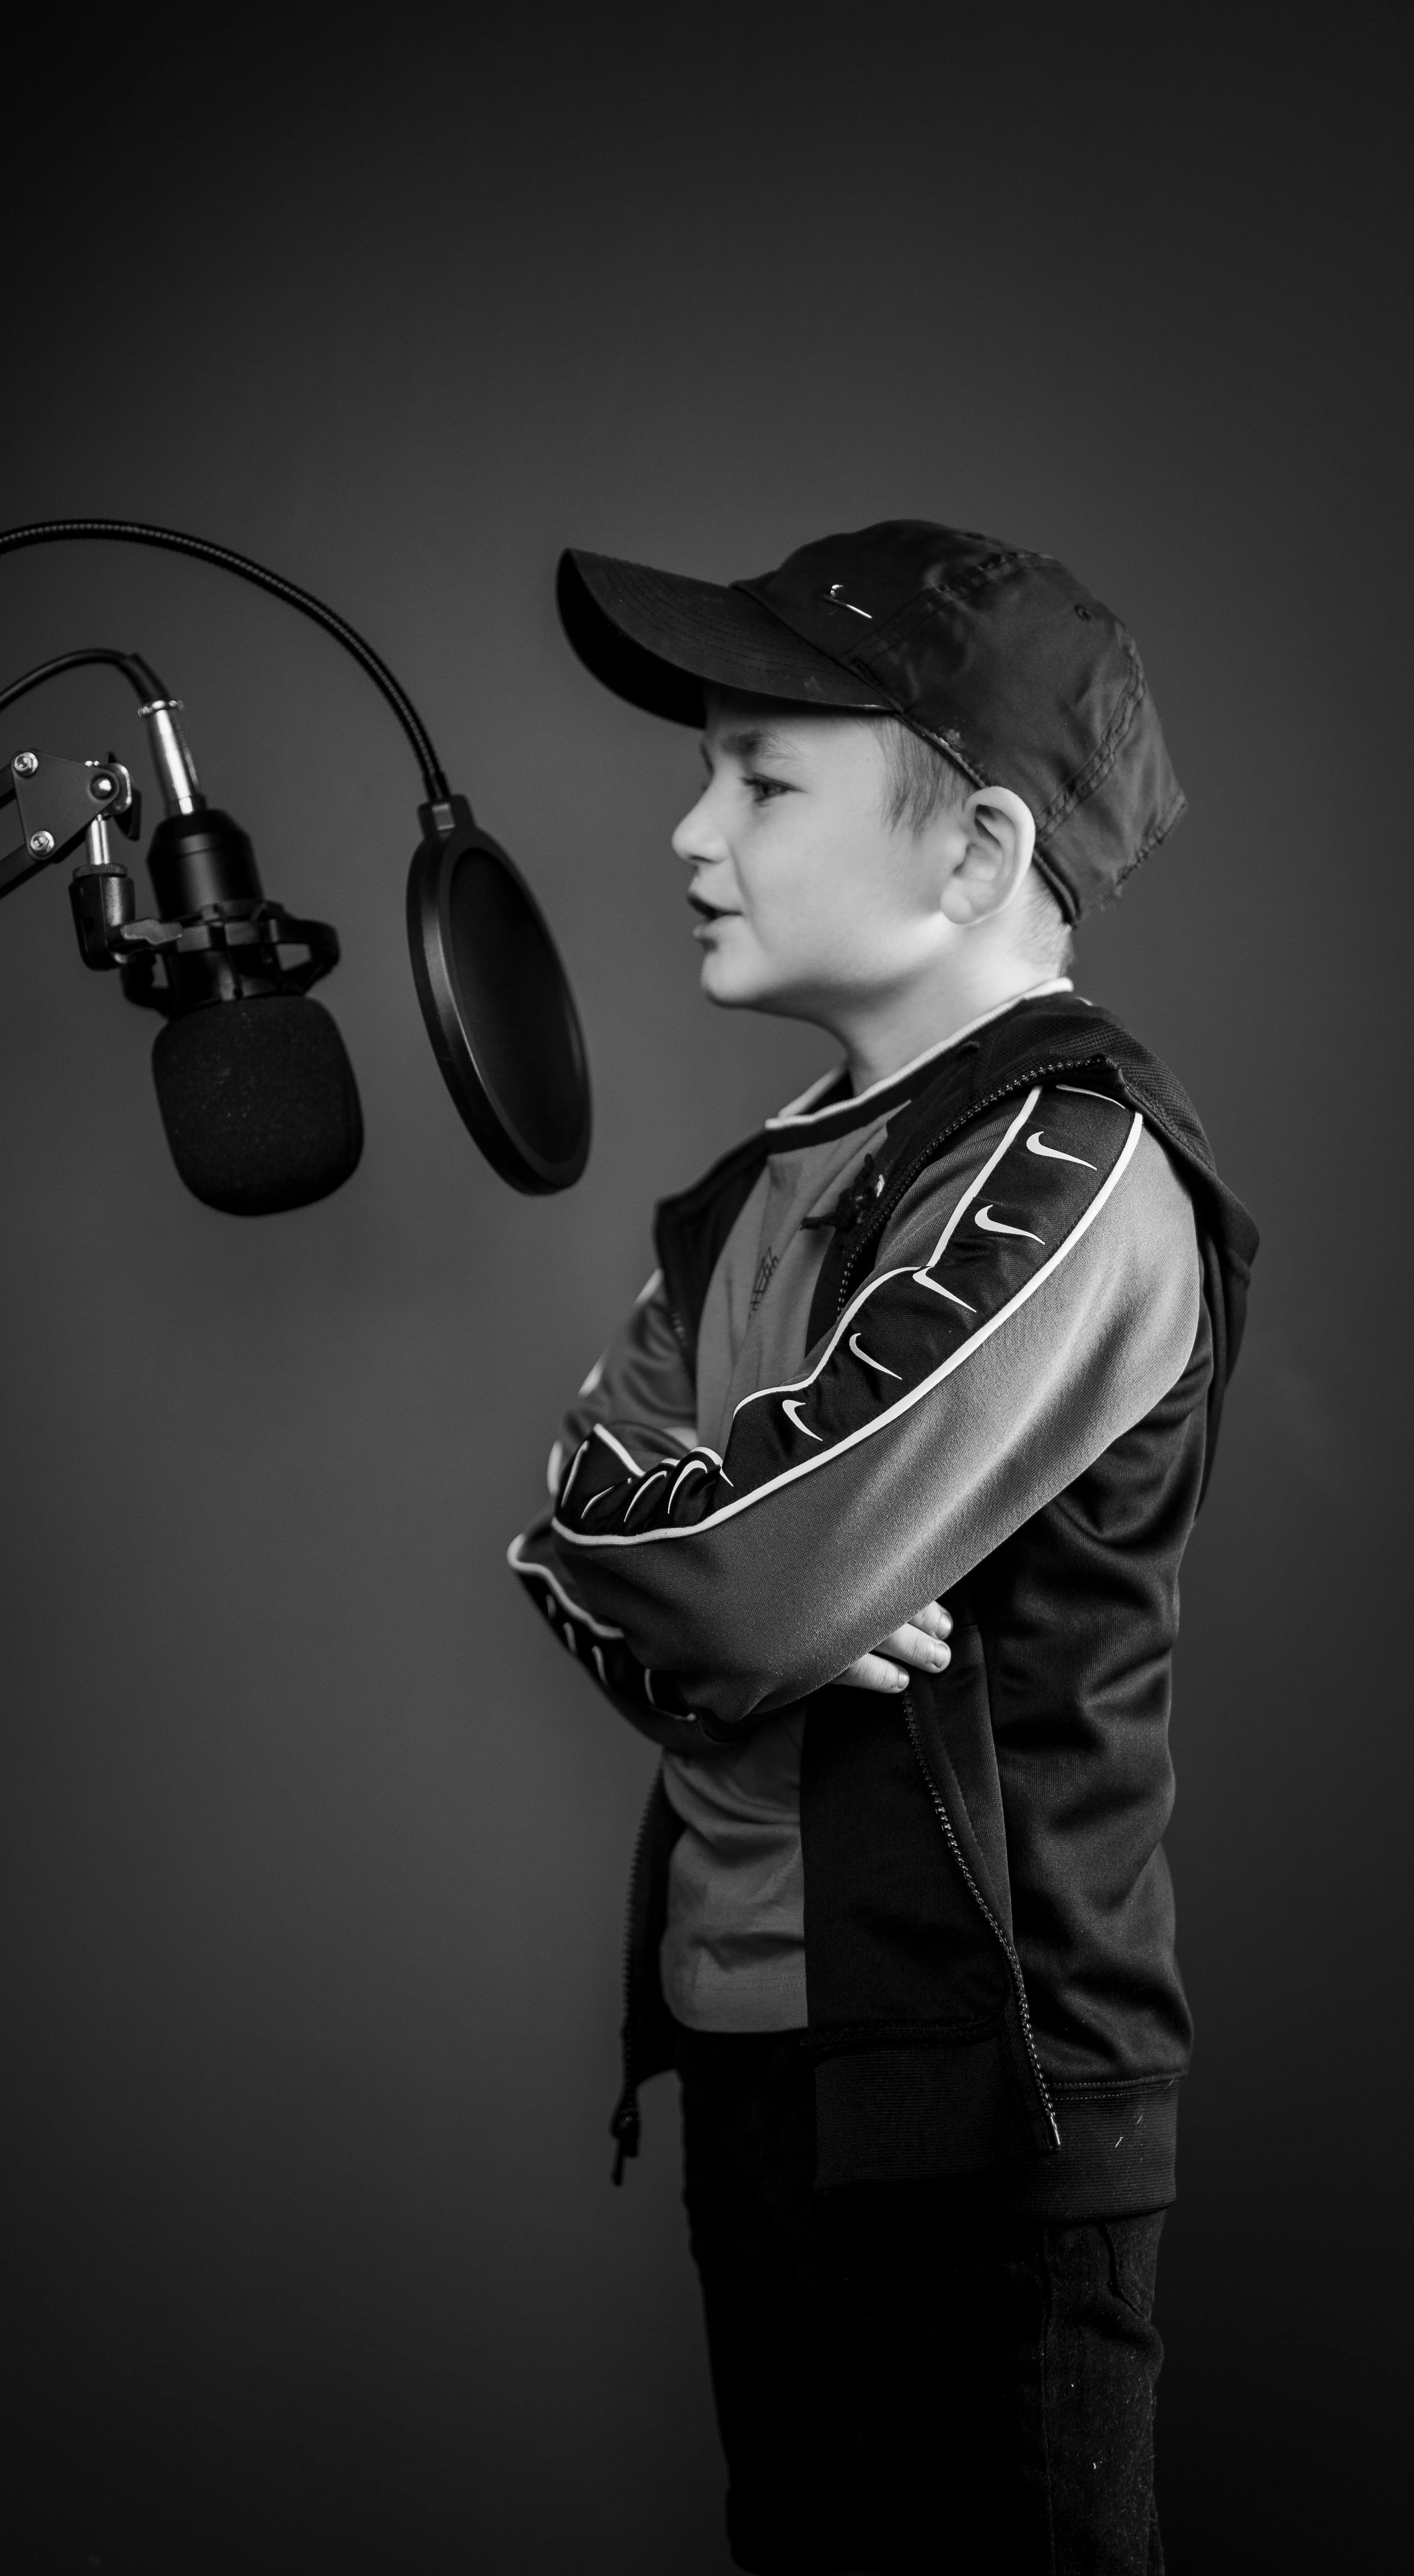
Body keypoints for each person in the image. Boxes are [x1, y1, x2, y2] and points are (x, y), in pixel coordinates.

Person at [508, 521, 1258, 2575]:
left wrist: (732, 1588)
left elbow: (728, 1565)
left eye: (757, 779)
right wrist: (735, 1595)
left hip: (980, 2112)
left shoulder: (1078, 1166)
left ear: (970, 847)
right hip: (752, 2074)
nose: (686, 833)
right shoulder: (746, 1194)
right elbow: (573, 1539)